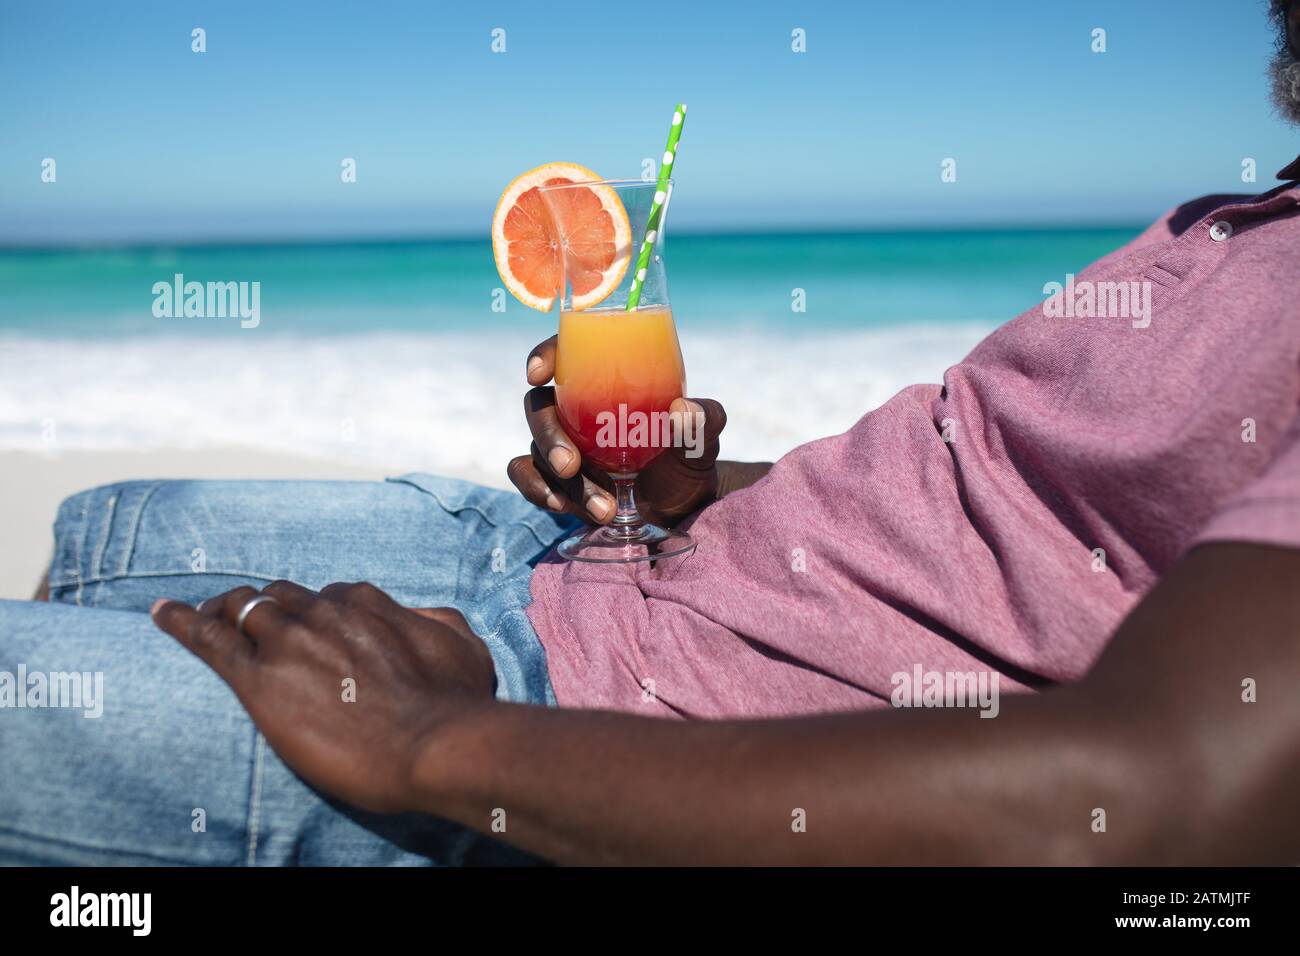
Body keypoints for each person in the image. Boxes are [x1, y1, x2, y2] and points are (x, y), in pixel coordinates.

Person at [2, 3, 1299, 868]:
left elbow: (1165, 794)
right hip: (637, 556)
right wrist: (697, 484)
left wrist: (428, 742)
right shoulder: (1237, 222)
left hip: (629, 712)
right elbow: (1002, 522)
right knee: (114, 527)